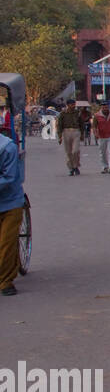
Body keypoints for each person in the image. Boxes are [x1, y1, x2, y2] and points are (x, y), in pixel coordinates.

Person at [0, 127, 23, 296]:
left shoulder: (8, 147)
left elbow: (9, 177)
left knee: (6, 242)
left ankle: (5, 280)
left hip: (9, 201)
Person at [56, 101, 82, 175]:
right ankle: (71, 168)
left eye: (74, 104)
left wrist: (82, 134)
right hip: (66, 132)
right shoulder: (63, 113)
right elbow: (59, 125)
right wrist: (60, 136)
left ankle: (76, 165)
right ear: (68, 105)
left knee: (75, 151)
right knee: (68, 152)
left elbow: (81, 123)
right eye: (72, 104)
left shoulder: (77, 113)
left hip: (76, 131)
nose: (73, 106)